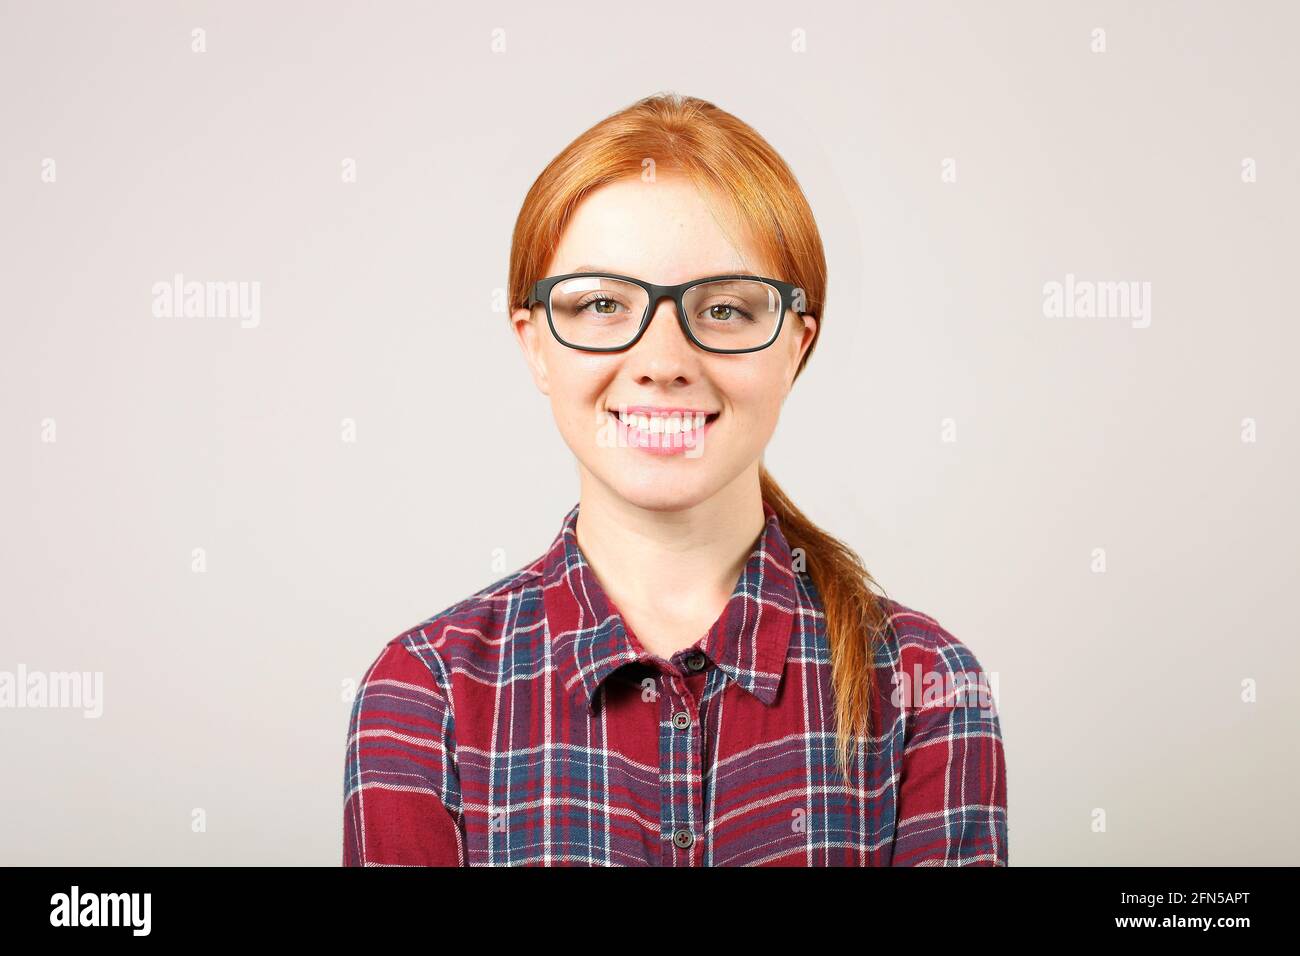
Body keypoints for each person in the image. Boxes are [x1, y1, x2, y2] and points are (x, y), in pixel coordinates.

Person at [343, 92, 1007, 866]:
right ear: (534, 347)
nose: (663, 362)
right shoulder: (425, 699)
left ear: (796, 345)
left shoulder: (929, 690)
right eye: (601, 304)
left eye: (724, 309)